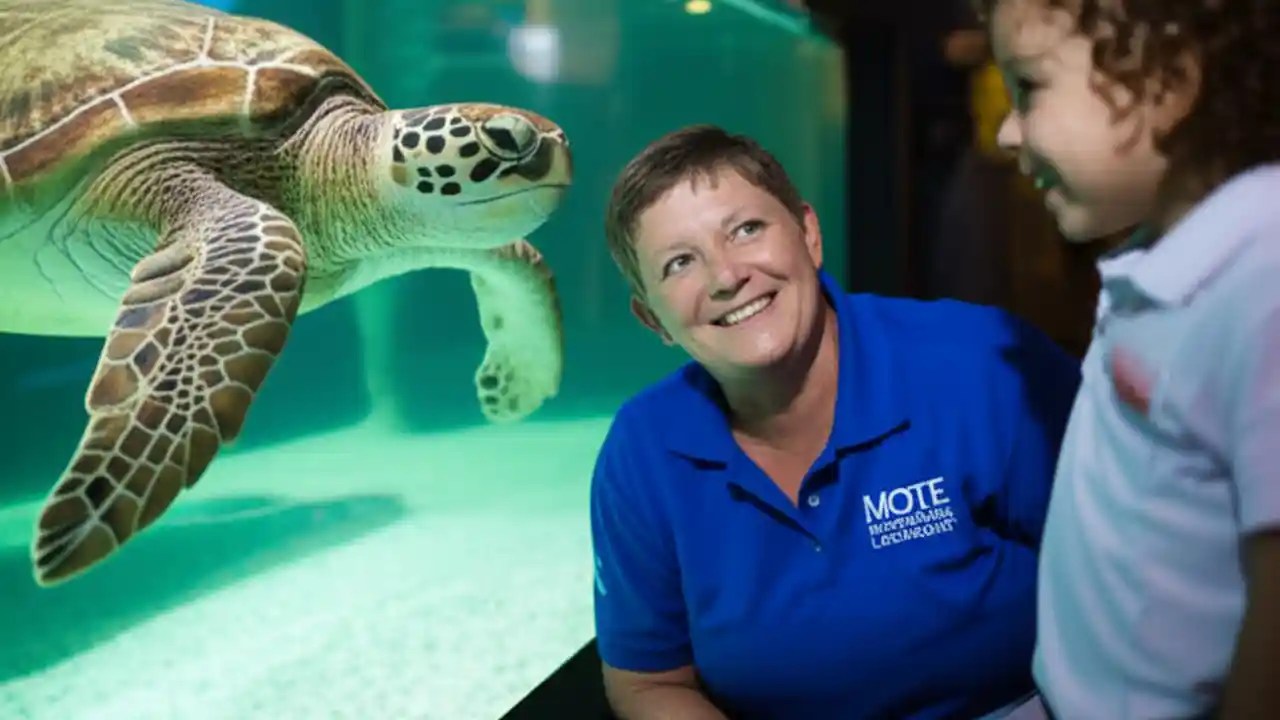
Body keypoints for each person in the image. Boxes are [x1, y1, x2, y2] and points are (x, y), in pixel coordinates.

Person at [589, 124, 1082, 719]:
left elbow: (1130, 576)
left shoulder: (981, 365)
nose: (725, 277)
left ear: (809, 234)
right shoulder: (643, 454)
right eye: (679, 263)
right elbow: (648, 682)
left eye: (746, 230)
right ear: (653, 320)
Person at [981, 0, 1280, 717]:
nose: (1004, 131)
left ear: (1168, 83)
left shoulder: (1261, 281)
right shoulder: (1156, 258)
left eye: (1030, 86)